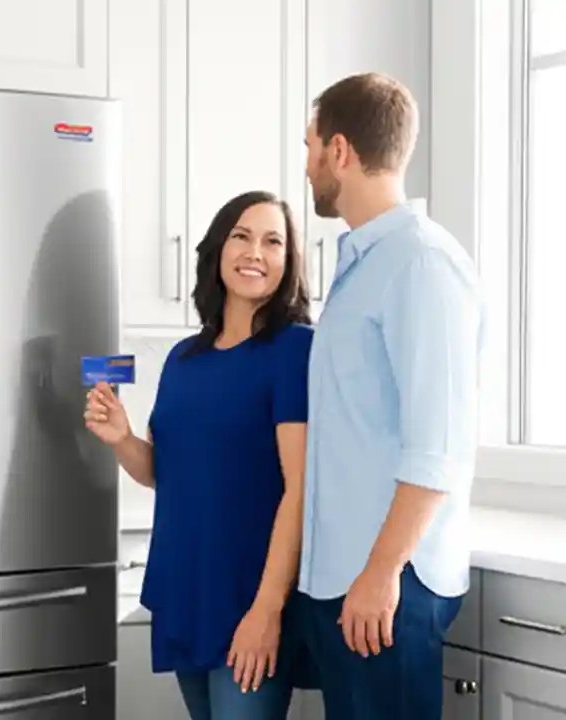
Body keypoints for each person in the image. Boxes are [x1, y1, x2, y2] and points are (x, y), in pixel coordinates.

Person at [293, 72, 484, 720]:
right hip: (346, 584)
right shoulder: (363, 265)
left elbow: (439, 447)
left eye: (310, 146)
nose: (308, 164)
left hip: (387, 587)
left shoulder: (420, 263)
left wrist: (380, 573)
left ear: (339, 151)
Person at [85, 190, 313, 720]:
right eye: (241, 236)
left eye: (272, 241)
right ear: (217, 250)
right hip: (185, 586)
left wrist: (266, 609)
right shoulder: (183, 358)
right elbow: (164, 473)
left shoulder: (294, 350)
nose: (255, 252)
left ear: (288, 262)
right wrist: (121, 437)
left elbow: (300, 489)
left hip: (247, 593)